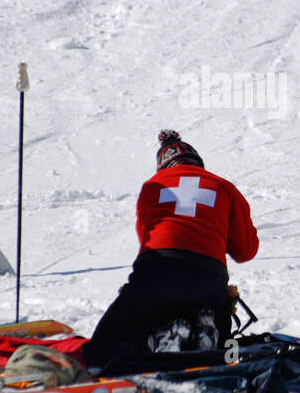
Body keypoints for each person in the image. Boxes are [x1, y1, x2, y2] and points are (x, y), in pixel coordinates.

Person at [83, 130, 259, 368]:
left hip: (158, 270)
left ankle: (166, 332)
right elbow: (246, 251)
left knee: (102, 347)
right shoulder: (224, 187)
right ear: (198, 163)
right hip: (210, 278)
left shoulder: (152, 186)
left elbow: (147, 239)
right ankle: (206, 331)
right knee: (223, 332)